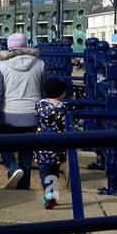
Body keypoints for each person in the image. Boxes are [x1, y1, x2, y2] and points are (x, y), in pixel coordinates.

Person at [0, 33, 45, 190]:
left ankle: (13, 168)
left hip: (8, 116)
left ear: (9, 47)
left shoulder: (1, 66)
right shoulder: (40, 64)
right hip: (33, 116)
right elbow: (45, 93)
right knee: (26, 154)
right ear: (26, 46)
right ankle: (23, 189)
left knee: (2, 142)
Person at [34, 77, 71, 210]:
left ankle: (49, 196)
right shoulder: (63, 109)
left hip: (42, 146)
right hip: (57, 146)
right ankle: (52, 197)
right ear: (62, 93)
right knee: (54, 172)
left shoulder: (39, 105)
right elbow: (67, 126)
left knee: (44, 172)